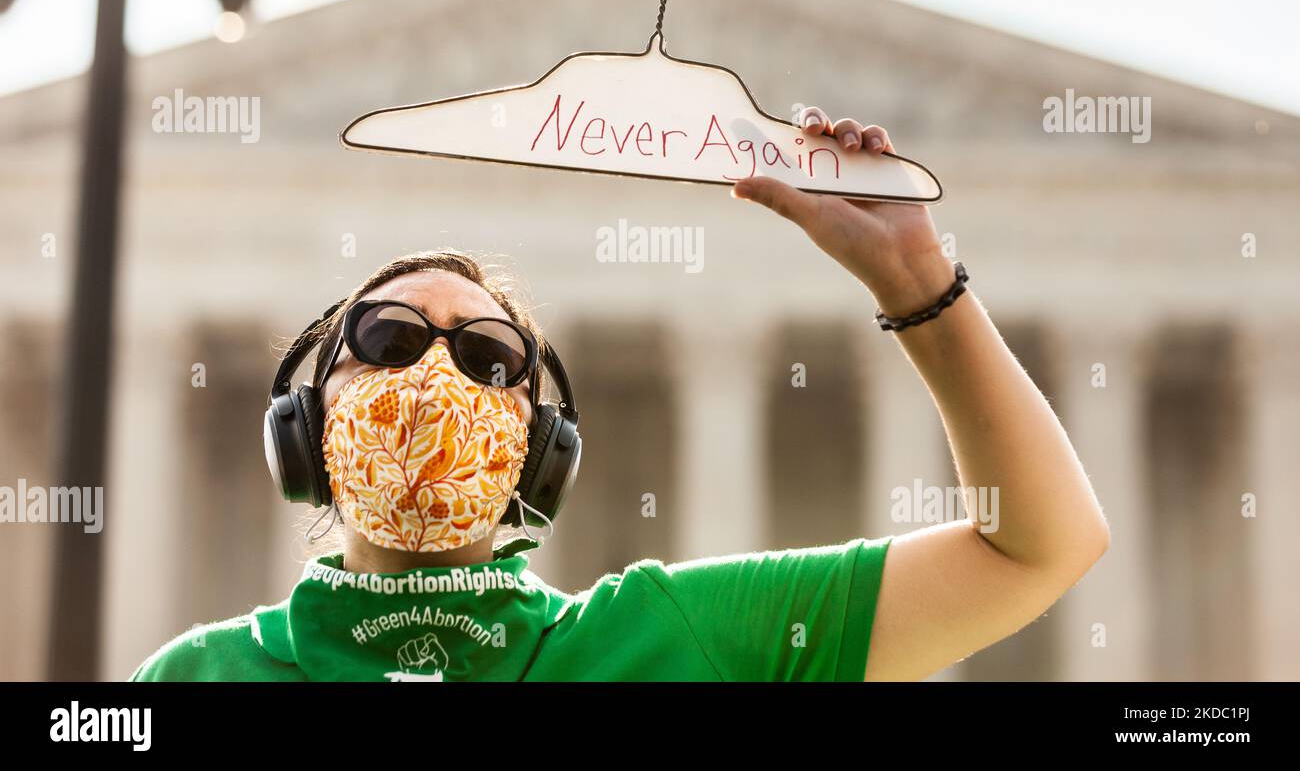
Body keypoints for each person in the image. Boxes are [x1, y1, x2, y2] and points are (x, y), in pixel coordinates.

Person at [131, 107, 1108, 681]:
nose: (435, 379)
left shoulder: (669, 635)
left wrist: (916, 281)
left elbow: (1036, 545)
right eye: (386, 340)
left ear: (535, 448)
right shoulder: (193, 676)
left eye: (488, 358)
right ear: (305, 421)